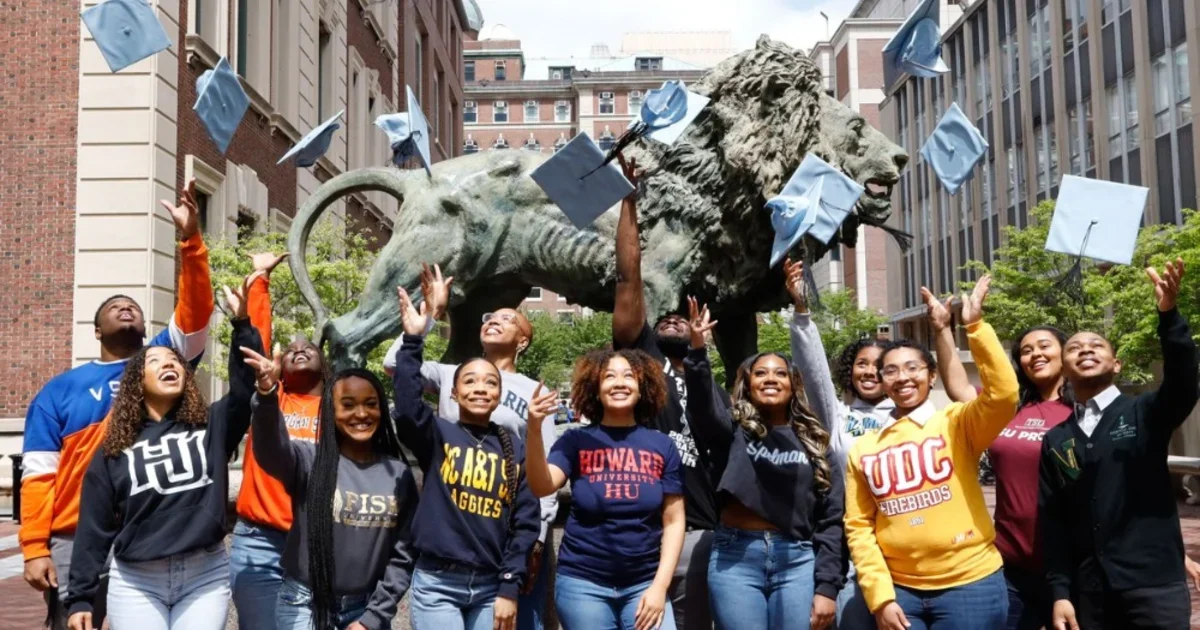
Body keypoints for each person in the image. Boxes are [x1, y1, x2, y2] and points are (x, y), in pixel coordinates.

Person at [21, 180, 213, 630]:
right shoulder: (59, 390)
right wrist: (34, 547)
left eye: (133, 306)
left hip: (151, 529)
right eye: (115, 307)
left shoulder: (164, 362)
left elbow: (197, 310)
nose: (126, 308)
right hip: (74, 533)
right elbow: (38, 474)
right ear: (97, 330)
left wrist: (190, 242)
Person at [63, 277, 261, 630]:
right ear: (137, 381)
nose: (169, 364)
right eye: (155, 361)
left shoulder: (212, 423)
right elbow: (94, 525)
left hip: (204, 574)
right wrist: (80, 595)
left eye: (175, 361)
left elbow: (246, 387)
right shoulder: (115, 445)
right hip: (138, 579)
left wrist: (242, 324)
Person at [383, 264, 560, 630]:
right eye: (489, 316)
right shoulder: (449, 378)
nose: (494, 320)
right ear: (455, 391)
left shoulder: (530, 397)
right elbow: (397, 374)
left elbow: (540, 479)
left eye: (507, 318)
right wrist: (428, 319)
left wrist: (534, 543)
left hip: (497, 561)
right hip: (442, 561)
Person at [844, 275, 1020, 630]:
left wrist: (975, 326)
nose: (903, 377)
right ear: (882, 382)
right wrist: (880, 596)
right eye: (890, 371)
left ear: (932, 376)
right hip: (900, 591)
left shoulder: (958, 422)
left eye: (913, 368)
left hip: (971, 586)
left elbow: (1003, 396)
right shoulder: (864, 449)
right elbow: (859, 527)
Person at [1041, 259, 1199, 630]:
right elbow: (1054, 521)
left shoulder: (1146, 411)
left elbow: (1182, 380)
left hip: (1154, 586)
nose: (1085, 349)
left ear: (1116, 364)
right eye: (1075, 347)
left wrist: (1169, 314)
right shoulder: (1056, 439)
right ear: (1064, 367)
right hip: (1090, 592)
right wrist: (1061, 592)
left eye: (1097, 345)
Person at [681, 296, 844, 630]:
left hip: (797, 559)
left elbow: (832, 518)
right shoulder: (731, 430)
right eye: (761, 373)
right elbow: (701, 407)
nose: (771, 379)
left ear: (793, 385)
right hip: (734, 557)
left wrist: (827, 586)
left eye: (780, 373)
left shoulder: (815, 442)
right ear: (748, 383)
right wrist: (697, 352)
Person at [610, 153, 721, 630]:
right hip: (645, 529)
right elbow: (628, 275)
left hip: (701, 527)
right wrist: (629, 201)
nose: (674, 317)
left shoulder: (704, 375)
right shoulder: (641, 358)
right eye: (666, 317)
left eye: (685, 317)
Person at [242, 348, 418, 630]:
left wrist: (373, 617)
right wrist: (266, 394)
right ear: (330, 412)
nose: (361, 413)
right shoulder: (308, 460)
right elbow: (269, 450)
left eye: (370, 404)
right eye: (347, 405)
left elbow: (404, 553)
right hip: (304, 604)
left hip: (366, 608)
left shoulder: (398, 474)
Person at [524, 347, 686, 630]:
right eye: (609, 376)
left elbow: (673, 521)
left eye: (629, 376)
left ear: (642, 388)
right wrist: (534, 429)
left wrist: (660, 587)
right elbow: (541, 485)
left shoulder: (662, 445)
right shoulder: (575, 441)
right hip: (582, 584)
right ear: (596, 390)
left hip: (645, 582)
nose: (619, 383)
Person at [230, 251, 331, 630]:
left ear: (325, 363)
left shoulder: (341, 408)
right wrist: (259, 278)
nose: (300, 347)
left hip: (319, 541)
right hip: (259, 541)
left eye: (309, 347)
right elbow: (255, 342)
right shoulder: (271, 399)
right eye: (290, 349)